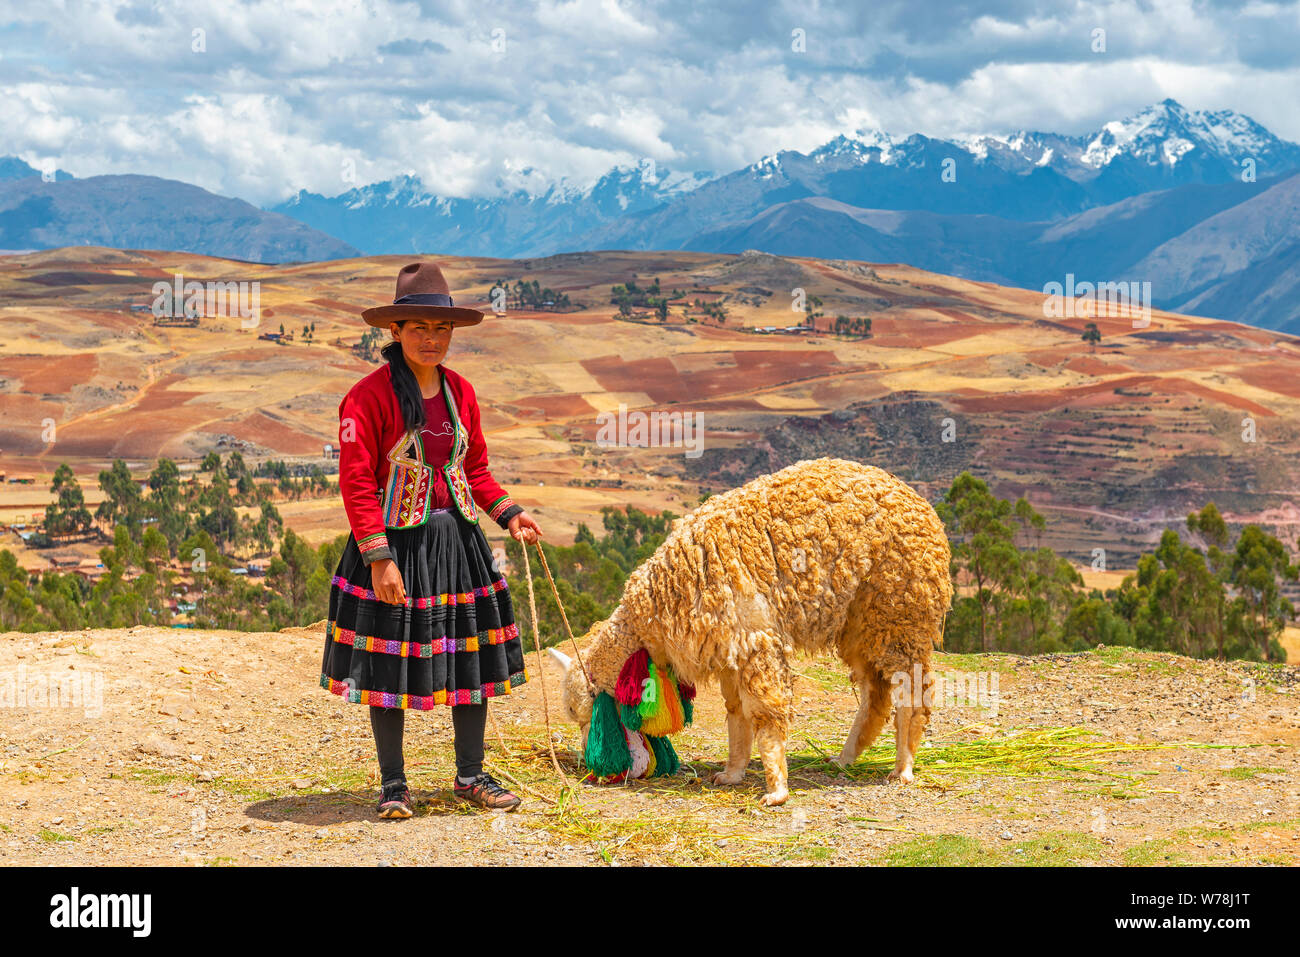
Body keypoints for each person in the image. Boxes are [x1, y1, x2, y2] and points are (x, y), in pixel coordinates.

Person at [320, 261, 544, 818]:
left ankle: (470, 776)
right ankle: (394, 785)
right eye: (418, 328)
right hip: (395, 548)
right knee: (389, 668)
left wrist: (510, 514)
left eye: (440, 329)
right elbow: (356, 482)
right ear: (393, 331)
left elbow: (476, 470)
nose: (431, 339)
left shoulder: (460, 391)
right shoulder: (366, 398)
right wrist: (379, 557)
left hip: (457, 547)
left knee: (468, 661)